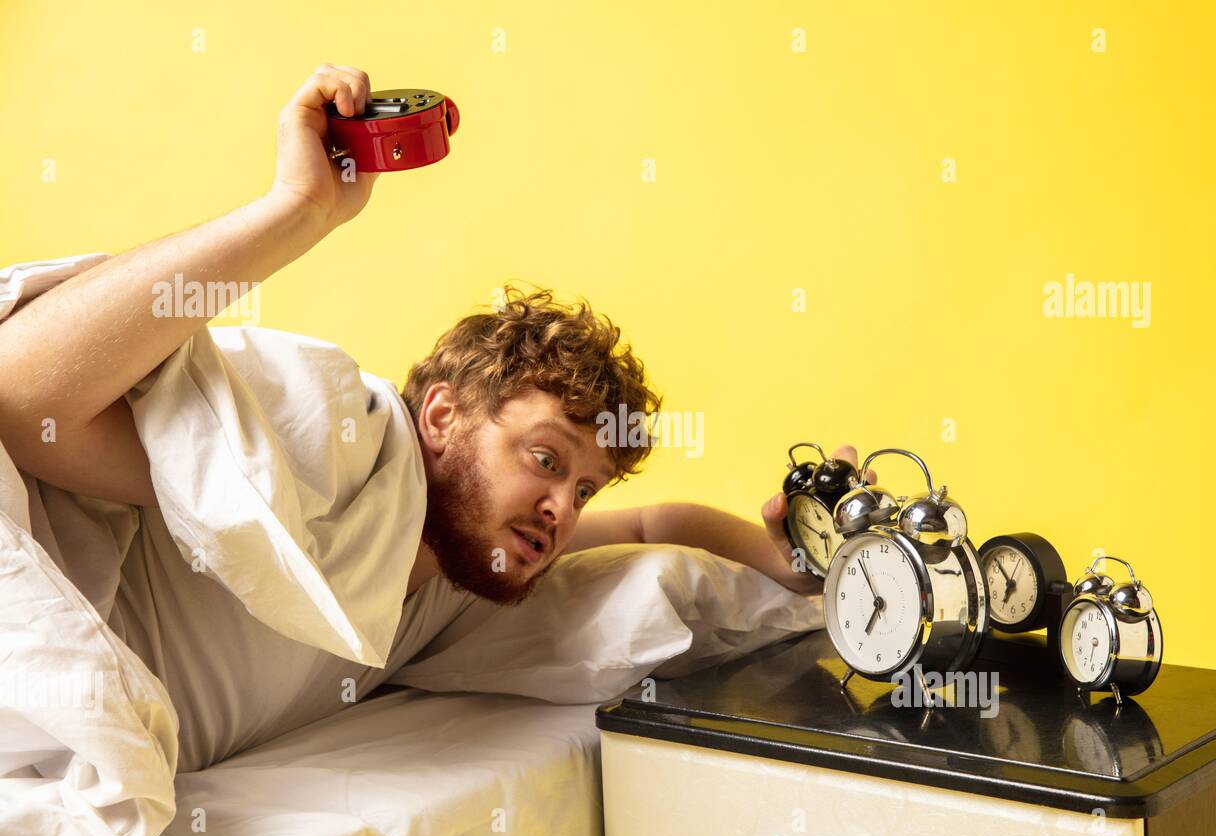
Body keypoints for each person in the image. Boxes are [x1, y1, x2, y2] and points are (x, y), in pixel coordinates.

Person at [0, 65, 874, 773]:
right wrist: (294, 213)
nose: (562, 511)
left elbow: (656, 521)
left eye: (582, 487)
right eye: (544, 457)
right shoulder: (340, 455)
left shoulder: (462, 561)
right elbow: (19, 395)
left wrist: (795, 553)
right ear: (445, 416)